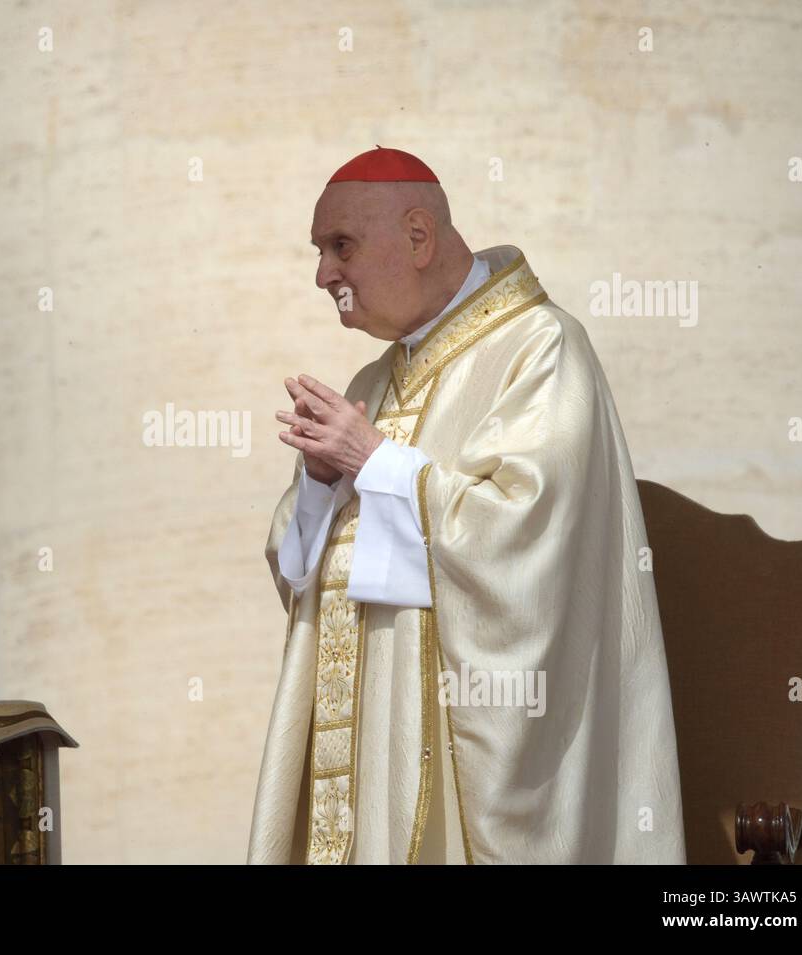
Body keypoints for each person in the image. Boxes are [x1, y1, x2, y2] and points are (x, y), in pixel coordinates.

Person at [247, 147, 686, 864]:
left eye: (341, 246)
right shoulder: (374, 378)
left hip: (464, 762)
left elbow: (526, 552)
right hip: (371, 751)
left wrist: (376, 462)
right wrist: (324, 485)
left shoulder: (542, 350)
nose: (324, 274)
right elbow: (307, 577)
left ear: (418, 237)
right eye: (321, 251)